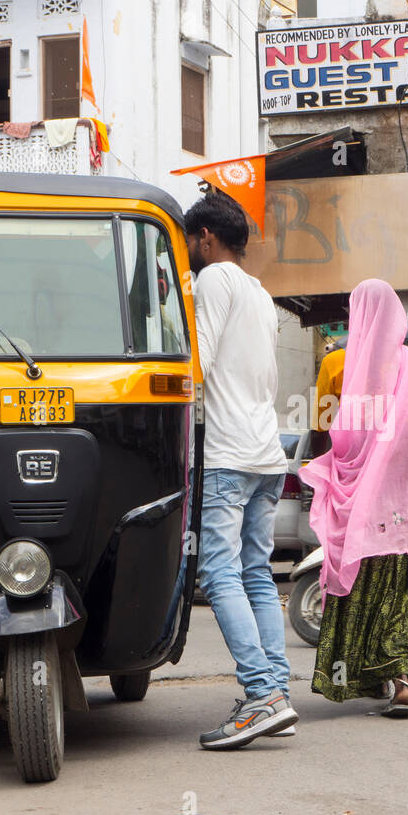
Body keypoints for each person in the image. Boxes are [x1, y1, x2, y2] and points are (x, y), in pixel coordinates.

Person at [300, 279, 408, 718]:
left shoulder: (336, 364)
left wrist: (328, 482)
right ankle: (401, 676)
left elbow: (320, 432)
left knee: (362, 586)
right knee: (406, 589)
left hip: (359, 502)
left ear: (357, 315)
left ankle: (363, 673)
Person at [186, 188, 297, 750]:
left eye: (189, 242)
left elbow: (195, 365)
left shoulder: (213, 280)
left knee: (219, 572)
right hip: (267, 454)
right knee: (256, 573)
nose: (188, 251)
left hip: (229, 453)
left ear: (205, 238)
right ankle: (275, 691)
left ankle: (262, 696)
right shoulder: (259, 291)